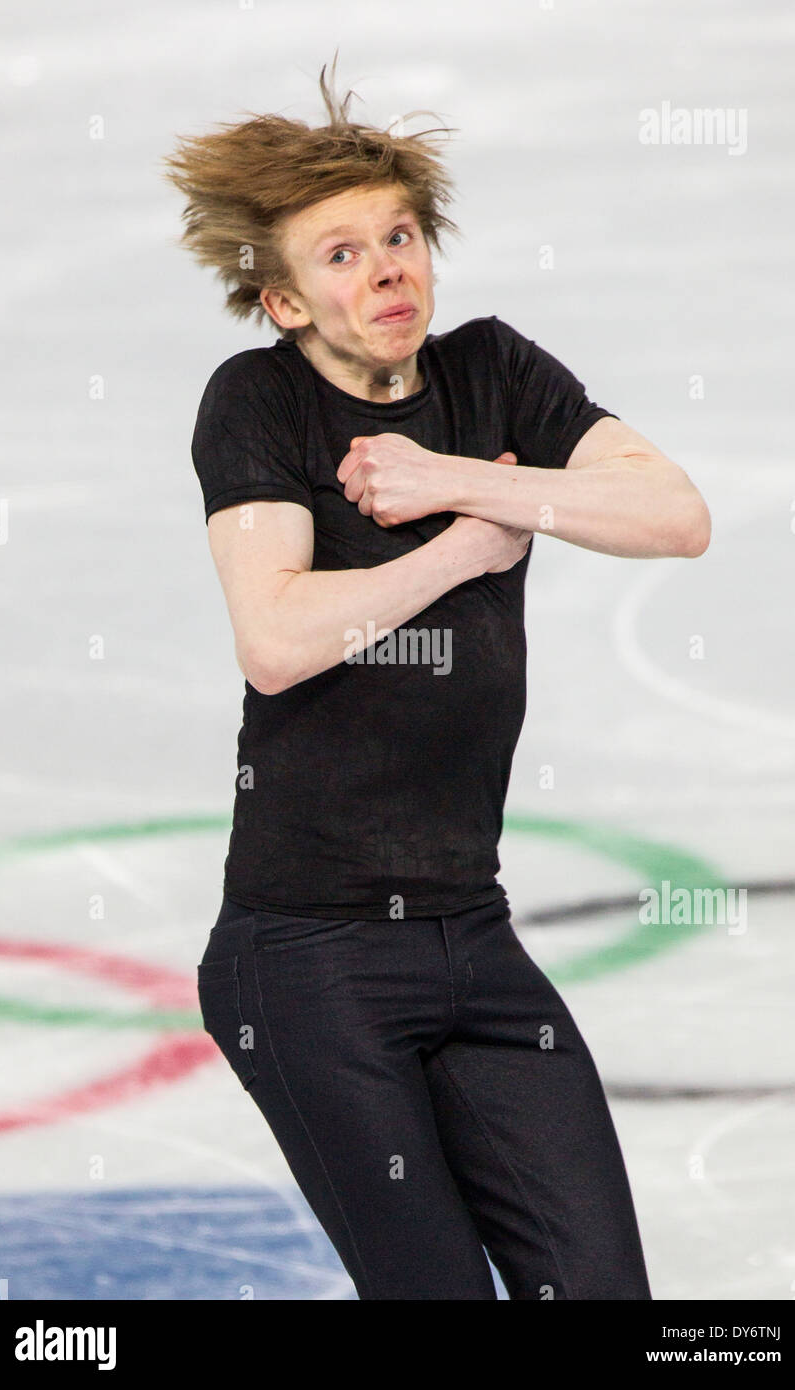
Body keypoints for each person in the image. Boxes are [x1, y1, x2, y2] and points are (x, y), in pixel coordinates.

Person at [162, 55, 710, 1301]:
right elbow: (278, 636)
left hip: (472, 934)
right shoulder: (256, 403)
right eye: (342, 254)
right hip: (304, 959)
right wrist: (469, 547)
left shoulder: (490, 373)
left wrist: (458, 478)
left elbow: (672, 515)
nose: (389, 268)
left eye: (399, 235)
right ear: (284, 301)